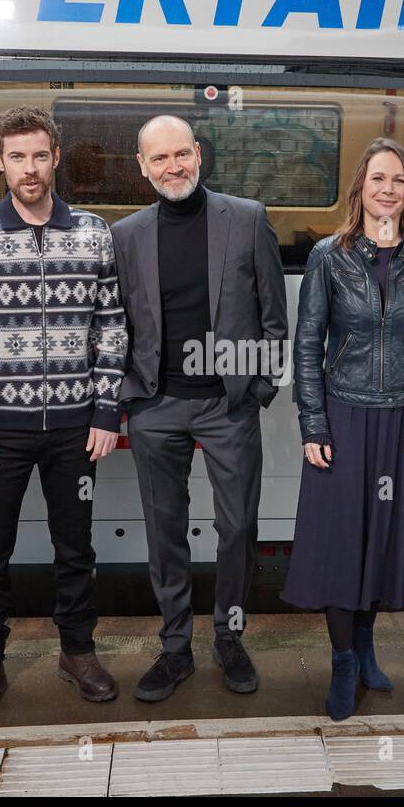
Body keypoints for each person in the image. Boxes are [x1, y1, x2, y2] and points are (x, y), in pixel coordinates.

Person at [0, 106, 128, 722]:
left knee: (76, 549)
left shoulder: (94, 231)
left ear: (55, 158)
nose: (29, 168)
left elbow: (112, 327)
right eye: (16, 156)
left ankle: (77, 652)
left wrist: (106, 412)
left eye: (39, 156)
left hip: (76, 428)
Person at [111, 115, 288, 702]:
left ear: (198, 154)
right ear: (143, 167)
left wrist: (256, 389)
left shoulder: (246, 218)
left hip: (227, 406)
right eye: (159, 159)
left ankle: (231, 638)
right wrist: (130, 399)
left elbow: (272, 318)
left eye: (181, 154)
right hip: (156, 405)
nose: (173, 167)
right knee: (165, 533)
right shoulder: (128, 234)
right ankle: (175, 648)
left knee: (238, 528)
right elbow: (119, 323)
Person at [284, 137, 404, 721]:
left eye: (399, 181)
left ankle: (366, 641)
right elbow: (307, 345)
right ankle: (342, 661)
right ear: (361, 188)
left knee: (382, 539)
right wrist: (313, 422)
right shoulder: (329, 256)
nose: (388, 189)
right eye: (378, 179)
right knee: (339, 543)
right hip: (342, 416)